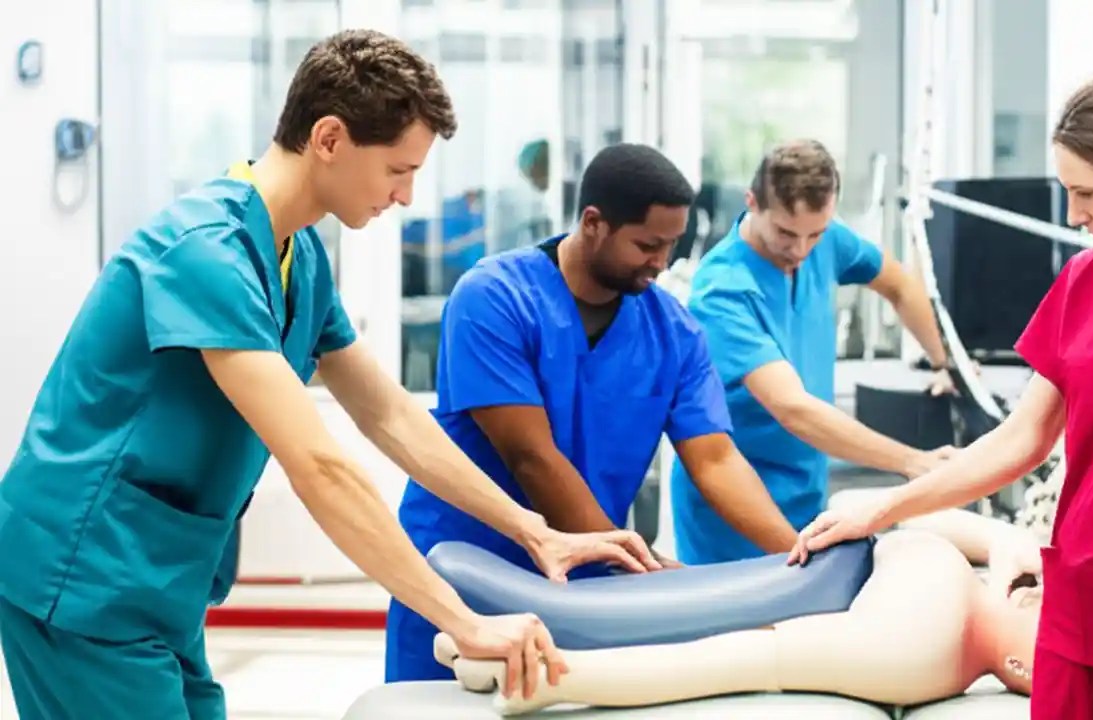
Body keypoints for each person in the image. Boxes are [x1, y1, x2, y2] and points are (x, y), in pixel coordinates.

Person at [0, 30, 656, 720]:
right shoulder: (204, 252)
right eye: (397, 170)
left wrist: (532, 529)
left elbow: (391, 415)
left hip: (158, 581)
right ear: (331, 139)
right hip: (82, 576)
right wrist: (461, 620)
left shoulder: (299, 256)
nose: (406, 196)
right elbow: (318, 464)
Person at [791, 73, 1093, 720]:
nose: (1076, 214)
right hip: (1076, 616)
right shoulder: (1084, 279)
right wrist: (883, 509)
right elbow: (1021, 440)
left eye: (1087, 193)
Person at [387, 143, 804, 683]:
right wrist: (643, 573)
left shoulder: (673, 333)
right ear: (594, 224)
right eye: (647, 245)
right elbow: (531, 457)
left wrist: (798, 556)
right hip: (464, 571)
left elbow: (716, 462)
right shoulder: (494, 298)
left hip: (587, 583)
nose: (662, 262)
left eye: (672, 245)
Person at [430, 494, 1047, 716]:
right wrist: (1002, 539)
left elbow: (738, 659)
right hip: (776, 574)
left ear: (1022, 672)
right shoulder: (984, 580)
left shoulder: (921, 647)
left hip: (750, 598)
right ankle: (480, 649)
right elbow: (863, 504)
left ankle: (495, 650)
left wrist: (558, 678)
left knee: (609, 619)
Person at [671, 138, 957, 566]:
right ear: (752, 203)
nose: (801, 250)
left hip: (807, 491)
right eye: (786, 233)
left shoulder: (825, 241)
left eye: (815, 234)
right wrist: (912, 462)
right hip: (737, 509)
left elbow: (898, 283)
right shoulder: (722, 290)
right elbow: (792, 408)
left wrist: (945, 363)